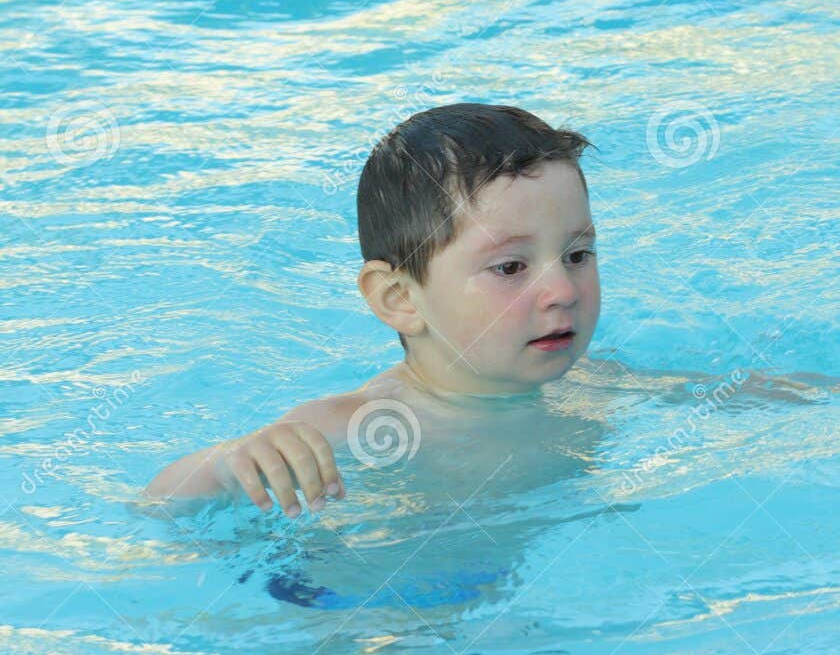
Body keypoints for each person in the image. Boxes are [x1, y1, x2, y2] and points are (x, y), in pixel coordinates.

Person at [143, 102, 603, 513]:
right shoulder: (355, 427)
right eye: (510, 267)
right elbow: (158, 505)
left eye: (578, 255)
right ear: (399, 299)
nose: (562, 290)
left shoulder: (596, 389)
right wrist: (228, 466)